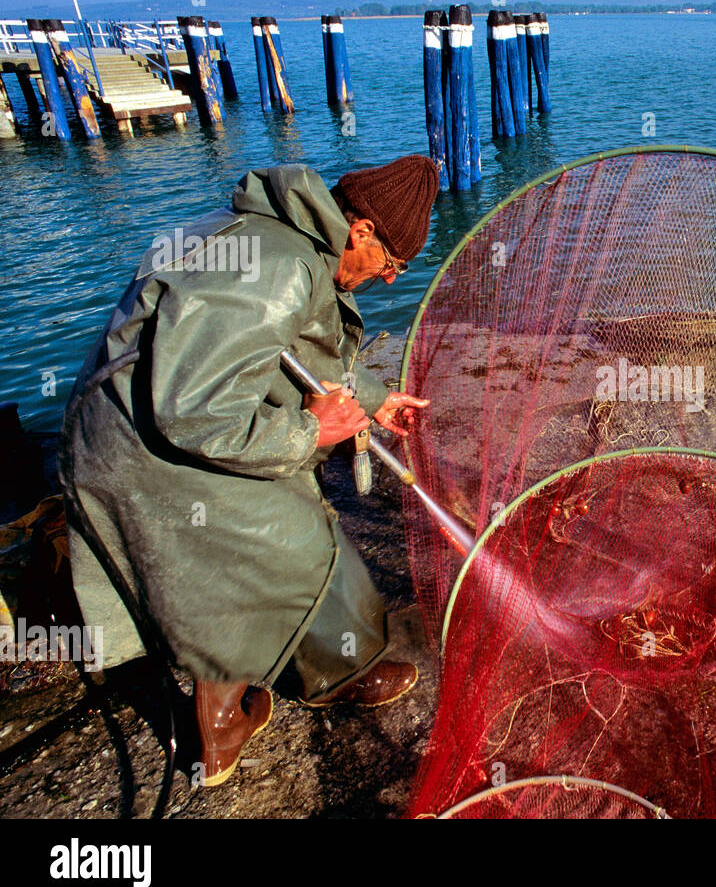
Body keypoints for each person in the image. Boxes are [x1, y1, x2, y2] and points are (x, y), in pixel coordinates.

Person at [60, 155, 437, 786]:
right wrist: (311, 431)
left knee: (256, 536)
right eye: (392, 264)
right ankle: (316, 679)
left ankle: (229, 703)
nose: (391, 281)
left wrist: (372, 399)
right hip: (145, 451)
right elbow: (195, 413)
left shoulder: (283, 238)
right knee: (302, 542)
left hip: (138, 428)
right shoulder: (282, 266)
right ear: (362, 230)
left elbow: (296, 353)